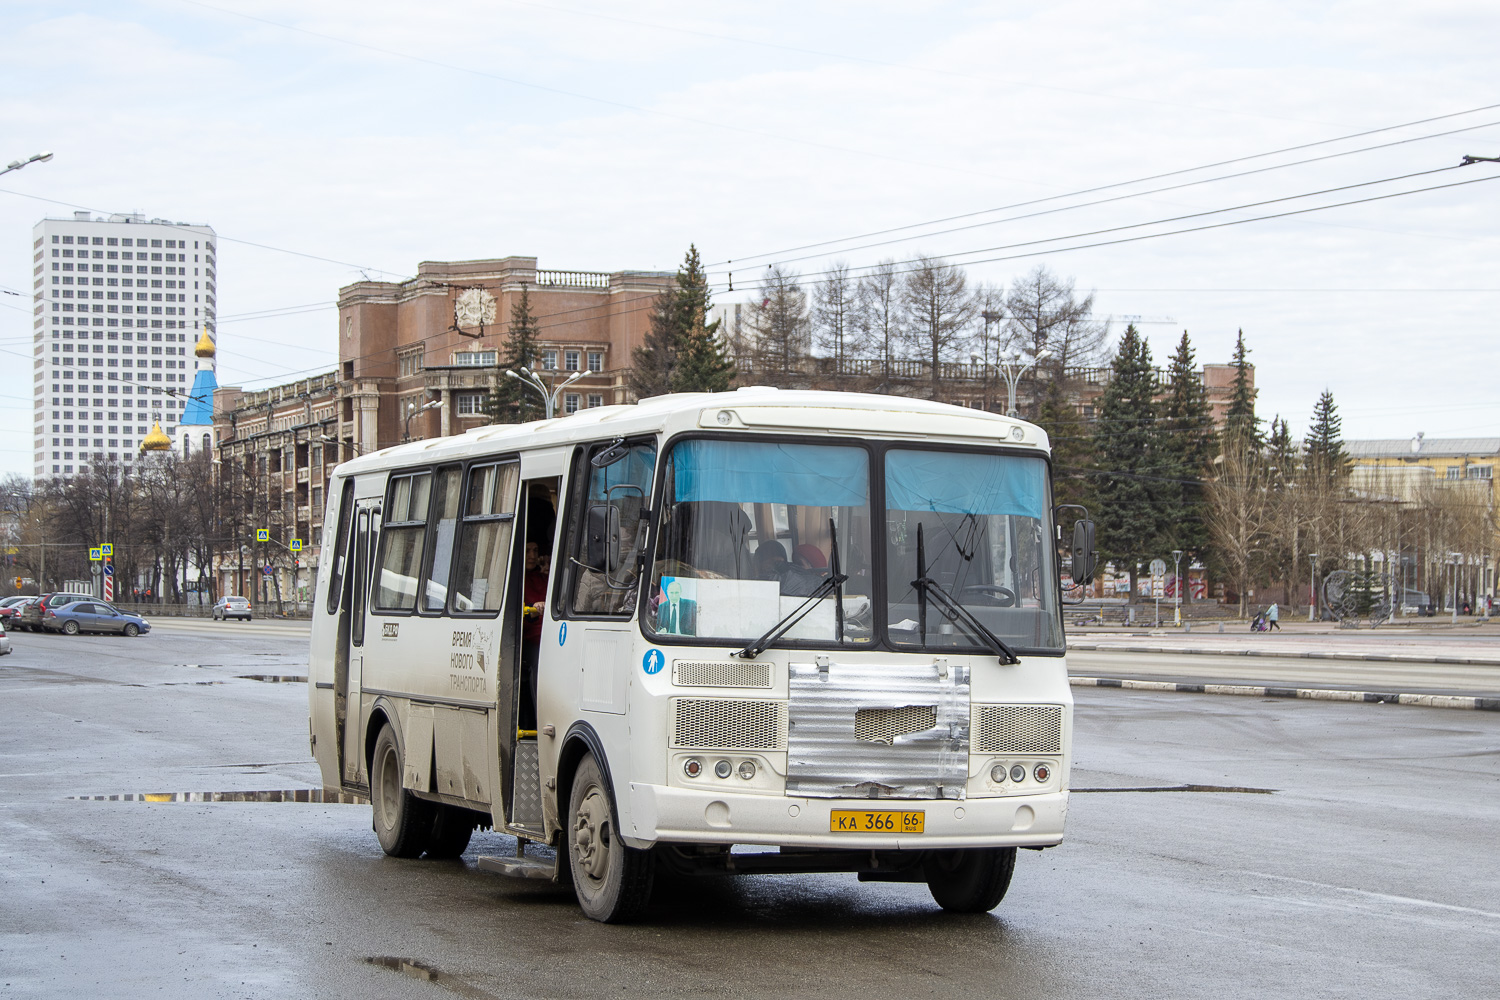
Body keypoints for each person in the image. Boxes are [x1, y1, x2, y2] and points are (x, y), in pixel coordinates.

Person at [519, 539, 549, 731]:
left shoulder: (543, 577)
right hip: (529, 639)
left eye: (535, 550)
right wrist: (533, 610)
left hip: (550, 636)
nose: (532, 555)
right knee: (540, 661)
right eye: (528, 550)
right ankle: (542, 716)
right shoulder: (517, 580)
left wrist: (548, 570)